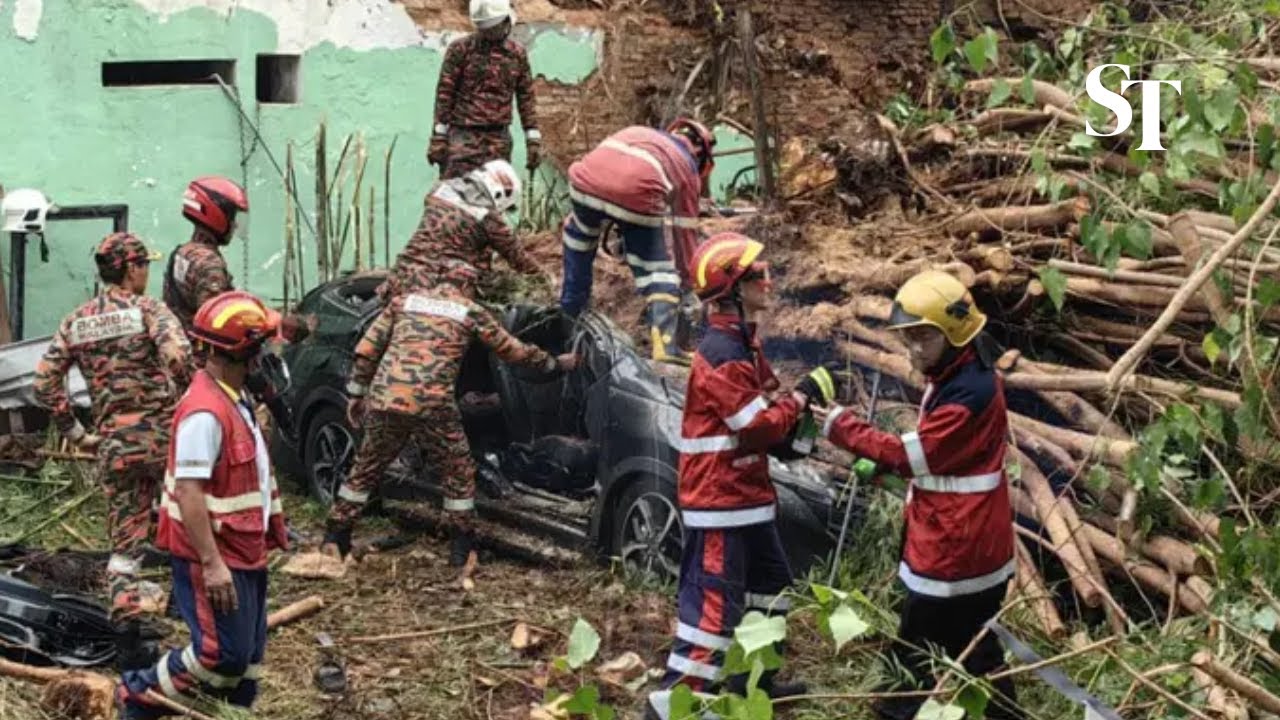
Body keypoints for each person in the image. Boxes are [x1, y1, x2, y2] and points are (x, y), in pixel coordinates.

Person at [815, 270, 1019, 720]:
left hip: (955, 551)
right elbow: (949, 467)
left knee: (912, 657)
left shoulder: (970, 392)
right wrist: (888, 475)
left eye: (923, 338)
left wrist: (841, 427)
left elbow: (918, 456)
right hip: (973, 541)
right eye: (909, 338)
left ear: (954, 333)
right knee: (979, 655)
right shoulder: (962, 373)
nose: (913, 349)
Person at [646, 233, 832, 720]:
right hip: (719, 505)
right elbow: (755, 425)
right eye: (758, 275)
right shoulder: (720, 352)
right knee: (711, 616)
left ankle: (752, 689)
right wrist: (801, 401)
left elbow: (772, 410)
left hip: (748, 500)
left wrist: (801, 420)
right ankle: (669, 709)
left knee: (771, 592)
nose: (769, 281)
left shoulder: (746, 346)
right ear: (731, 289)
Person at [320, 262, 577, 566]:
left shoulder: (404, 302)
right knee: (458, 474)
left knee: (365, 469)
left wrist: (357, 394)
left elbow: (367, 350)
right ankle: (462, 550)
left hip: (388, 397)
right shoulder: (468, 310)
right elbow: (512, 351)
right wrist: (555, 365)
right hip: (432, 403)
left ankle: (335, 539)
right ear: (467, 286)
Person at [117, 291, 289, 718]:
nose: (265, 356)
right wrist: (212, 564)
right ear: (243, 352)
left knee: (247, 658)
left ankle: (231, 712)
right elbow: (189, 493)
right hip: (215, 553)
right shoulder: (205, 413)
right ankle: (137, 695)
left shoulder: (234, 397)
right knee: (219, 655)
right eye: (260, 347)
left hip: (245, 548)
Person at [34, 232, 190, 621]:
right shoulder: (150, 311)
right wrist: (192, 404)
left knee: (124, 544)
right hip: (164, 439)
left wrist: (75, 434)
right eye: (145, 266)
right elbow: (177, 356)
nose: (147, 274)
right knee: (187, 519)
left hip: (114, 445)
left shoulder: (77, 321)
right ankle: (184, 605)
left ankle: (127, 620)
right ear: (131, 269)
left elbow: (44, 383)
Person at [559, 118, 715, 363]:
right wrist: (686, 283)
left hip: (583, 184)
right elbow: (684, 234)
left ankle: (569, 330)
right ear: (700, 152)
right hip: (637, 192)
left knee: (578, 243)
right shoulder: (686, 165)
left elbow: (609, 176)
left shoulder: (638, 132)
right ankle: (666, 347)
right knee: (656, 269)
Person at [163, 176, 308, 345]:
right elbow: (218, 324)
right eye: (233, 218)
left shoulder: (183, 252)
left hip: (184, 346)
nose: (236, 226)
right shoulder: (209, 264)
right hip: (206, 360)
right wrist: (272, 326)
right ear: (216, 215)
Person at [382, 159, 547, 302]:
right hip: (437, 289)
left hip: (400, 275)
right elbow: (518, 259)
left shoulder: (438, 190)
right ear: (500, 196)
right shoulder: (489, 219)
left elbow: (449, 235)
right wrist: (546, 280)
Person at [429, 0, 541, 178]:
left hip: (498, 140)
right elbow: (445, 94)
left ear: (506, 22)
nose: (490, 33)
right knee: (456, 197)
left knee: (494, 199)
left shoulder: (517, 54)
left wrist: (533, 139)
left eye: (494, 28)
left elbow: (525, 97)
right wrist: (439, 137)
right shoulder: (460, 50)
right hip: (462, 137)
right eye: (486, 29)